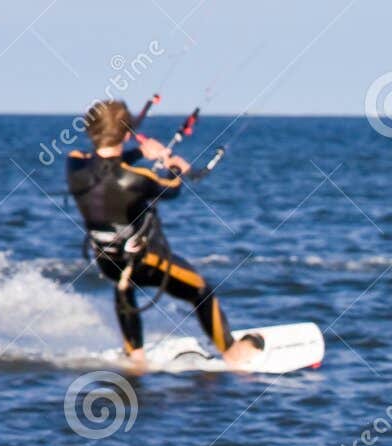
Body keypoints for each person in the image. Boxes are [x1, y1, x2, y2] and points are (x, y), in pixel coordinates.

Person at [66, 99, 260, 371]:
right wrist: (175, 166)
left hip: (106, 261)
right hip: (145, 263)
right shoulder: (135, 179)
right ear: (125, 133)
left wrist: (137, 152)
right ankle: (231, 353)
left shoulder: (74, 166)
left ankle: (135, 357)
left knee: (124, 287)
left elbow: (102, 165)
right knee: (201, 291)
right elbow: (171, 187)